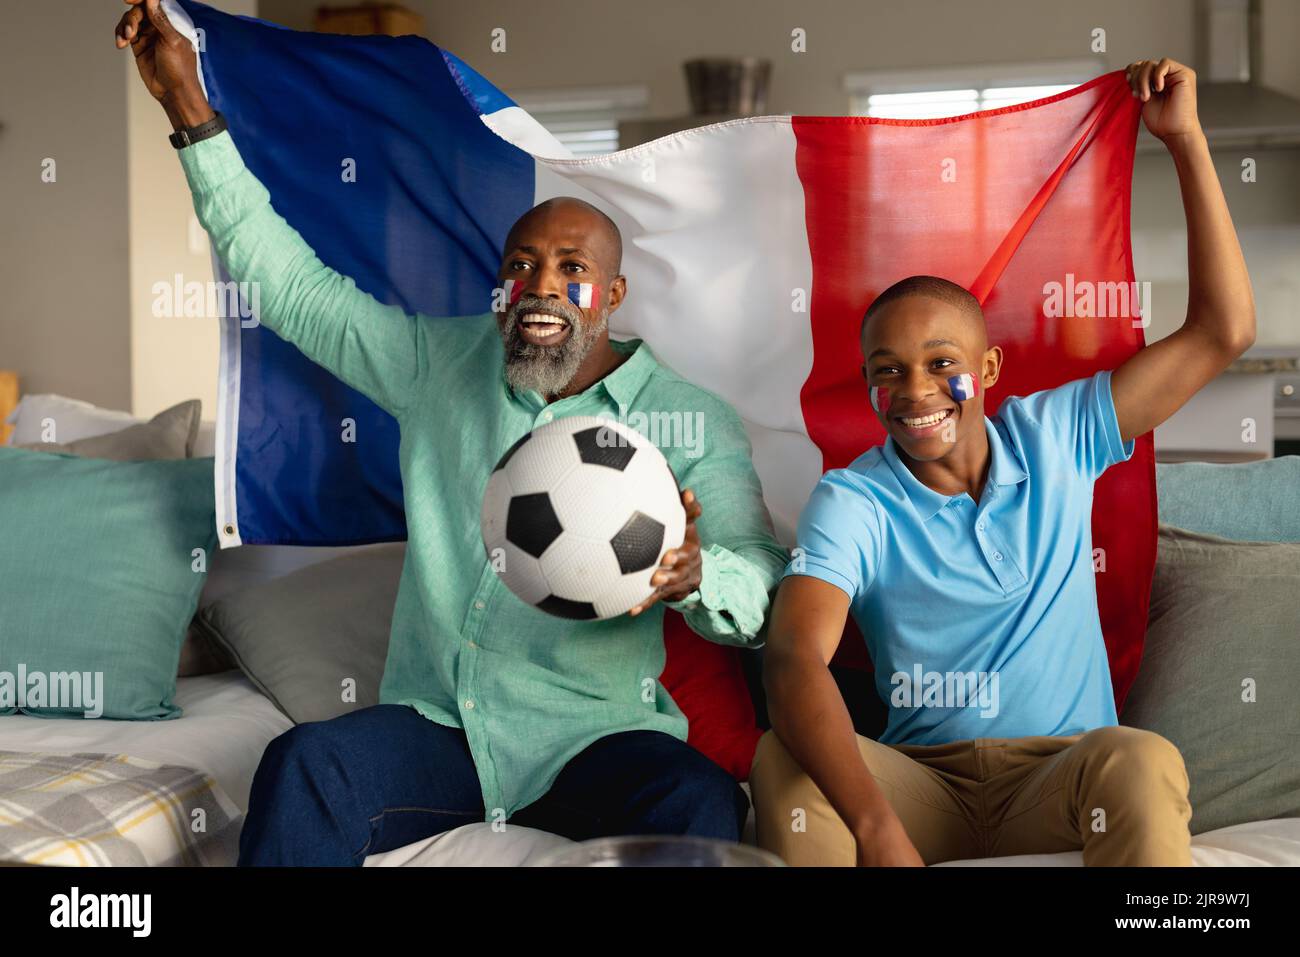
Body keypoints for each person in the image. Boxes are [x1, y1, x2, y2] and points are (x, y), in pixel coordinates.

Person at [115, 0, 788, 864]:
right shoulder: (439, 365)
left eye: (573, 270)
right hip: (441, 733)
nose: (541, 286)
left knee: (695, 798)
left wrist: (700, 575)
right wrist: (191, 117)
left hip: (595, 736)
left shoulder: (688, 418)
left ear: (613, 296)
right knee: (304, 765)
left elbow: (761, 589)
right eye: (522, 266)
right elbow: (290, 285)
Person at [753, 57, 1254, 866]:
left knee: (1143, 756)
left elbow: (1221, 331)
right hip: (923, 787)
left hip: (1061, 778)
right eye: (887, 369)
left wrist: (1186, 140)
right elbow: (793, 657)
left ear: (985, 372)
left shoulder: (1058, 433)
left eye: (939, 361)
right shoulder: (853, 501)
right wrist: (879, 827)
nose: (916, 390)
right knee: (781, 762)